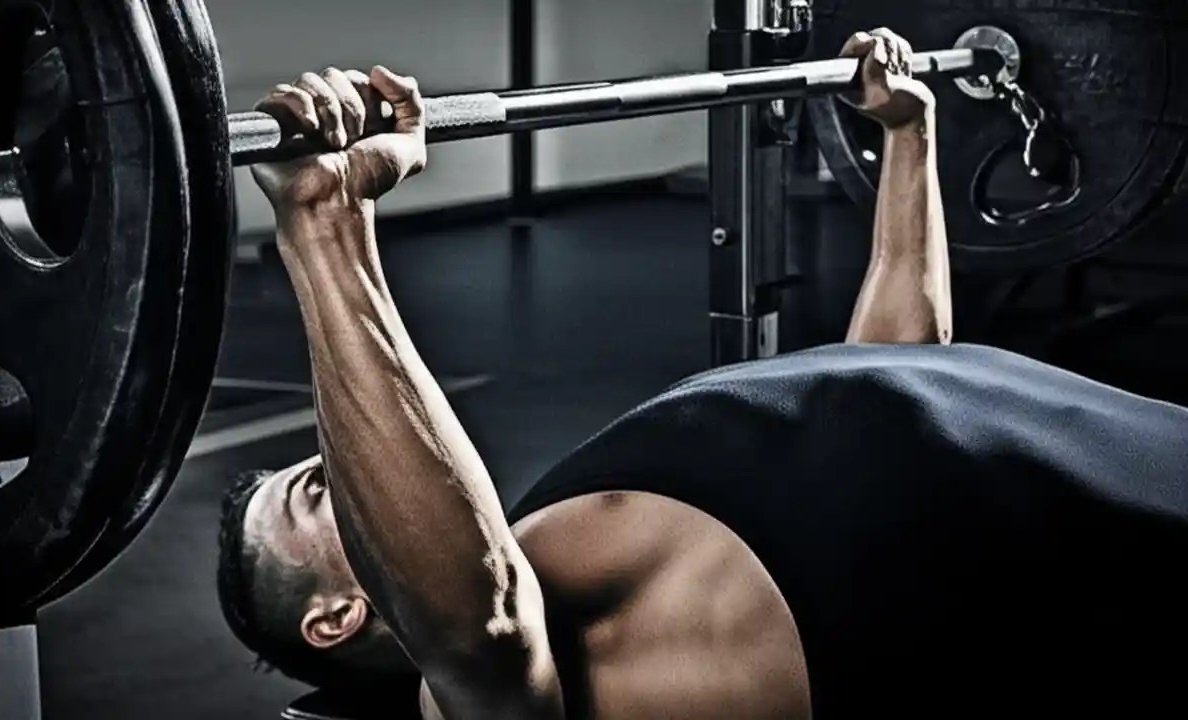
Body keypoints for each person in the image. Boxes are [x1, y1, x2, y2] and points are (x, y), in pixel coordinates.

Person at [216, 28, 1188, 719]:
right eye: (314, 491)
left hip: (1111, 440)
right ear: (336, 619)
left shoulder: (585, 524)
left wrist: (909, 135)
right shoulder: (496, 686)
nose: (340, 457)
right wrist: (326, 226)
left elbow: (885, 373)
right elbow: (475, 621)